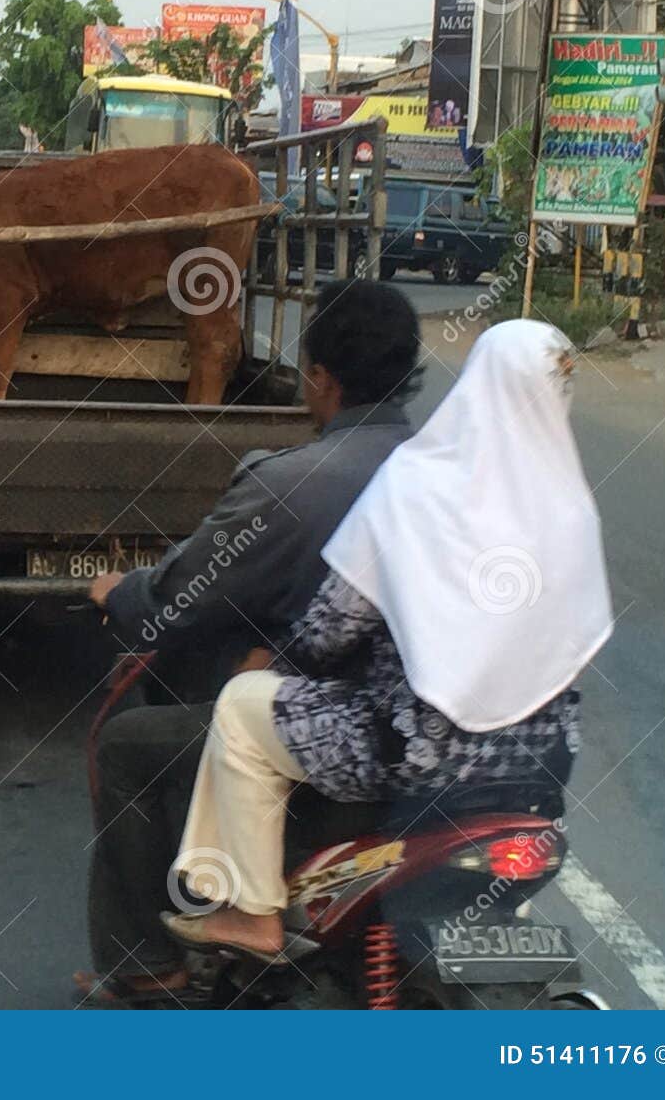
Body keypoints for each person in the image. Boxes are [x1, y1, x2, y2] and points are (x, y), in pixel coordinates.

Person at [163, 319, 612, 960]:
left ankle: (251, 911)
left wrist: (276, 667)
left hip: (419, 757)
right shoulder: (571, 509)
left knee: (240, 708)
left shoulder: (420, 481)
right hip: (542, 766)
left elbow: (331, 629)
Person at [76, 280, 423, 1005]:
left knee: (129, 744)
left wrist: (123, 596)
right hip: (465, 736)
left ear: (320, 378)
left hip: (355, 727)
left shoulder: (292, 486)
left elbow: (180, 602)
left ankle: (148, 967)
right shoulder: (450, 477)